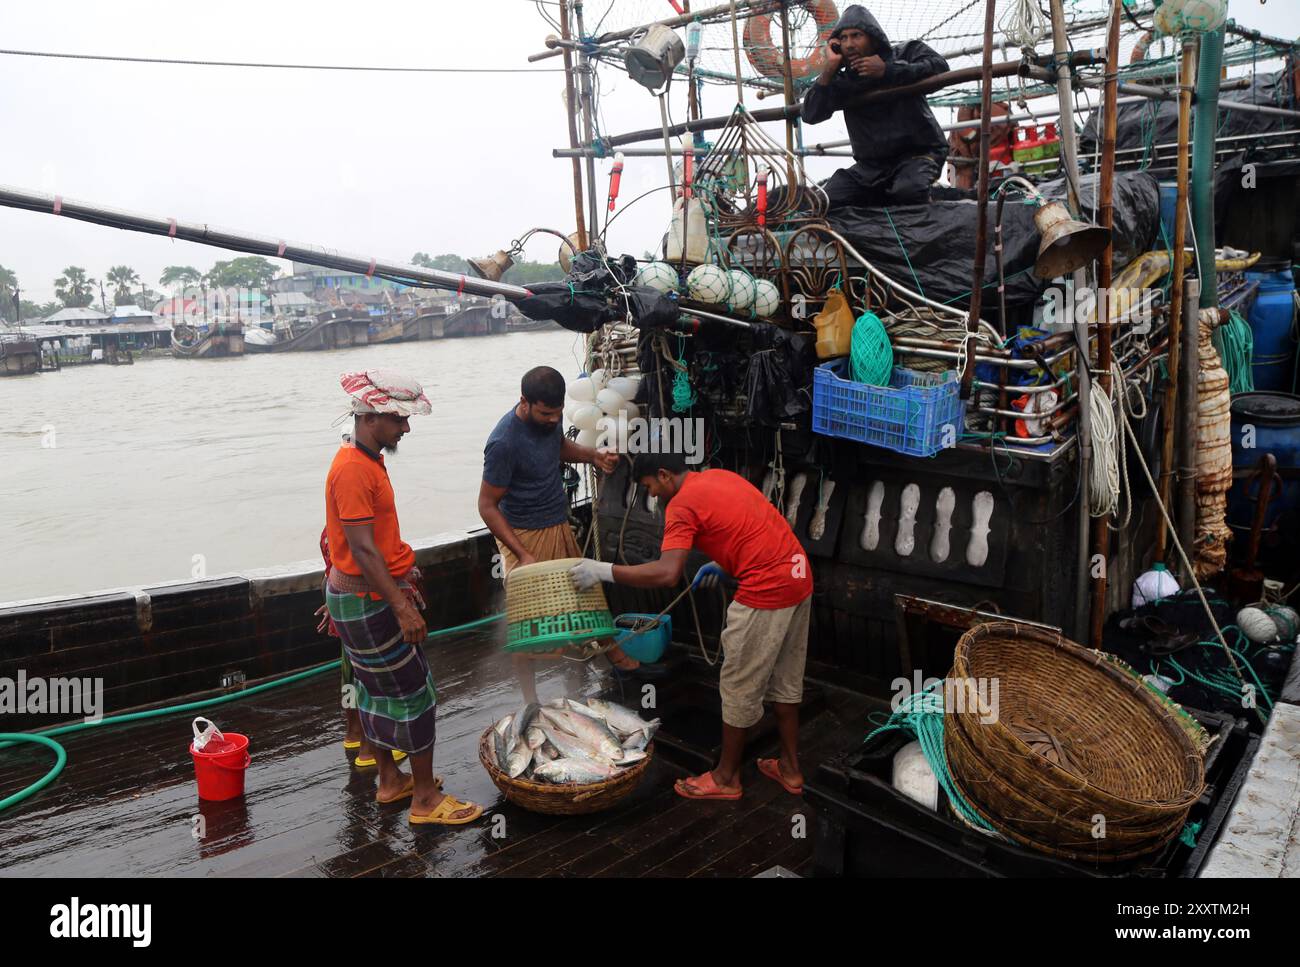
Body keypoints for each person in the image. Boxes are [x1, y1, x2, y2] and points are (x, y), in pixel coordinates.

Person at [569, 452, 814, 801]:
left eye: (650, 486)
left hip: (766, 591)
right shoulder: (718, 476)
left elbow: (667, 573)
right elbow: (752, 526)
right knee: (786, 682)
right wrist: (724, 563)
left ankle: (726, 778)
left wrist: (602, 570)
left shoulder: (680, 506)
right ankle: (791, 770)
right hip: (798, 575)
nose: (652, 495)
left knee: (738, 686)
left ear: (665, 475)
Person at [324, 369, 481, 825]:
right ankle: (425, 800)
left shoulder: (362, 457)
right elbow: (362, 549)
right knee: (415, 693)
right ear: (371, 417)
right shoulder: (354, 469)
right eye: (398, 420)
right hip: (370, 600)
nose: (405, 428)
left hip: (359, 596)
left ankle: (391, 782)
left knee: (373, 692)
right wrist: (401, 605)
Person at [478, 365, 633, 703]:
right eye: (545, 413)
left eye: (557, 413)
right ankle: (531, 700)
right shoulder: (503, 443)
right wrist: (522, 554)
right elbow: (487, 506)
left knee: (579, 599)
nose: (552, 420)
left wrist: (592, 455)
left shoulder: (551, 419)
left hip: (557, 523)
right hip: (523, 535)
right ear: (524, 402)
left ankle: (584, 678)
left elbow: (557, 446)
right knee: (528, 623)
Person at [801, 5, 949, 208]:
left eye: (856, 36)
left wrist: (887, 71)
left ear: (873, 37)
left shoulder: (907, 52)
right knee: (824, 202)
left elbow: (939, 68)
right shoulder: (842, 81)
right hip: (871, 167)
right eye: (843, 39)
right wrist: (828, 70)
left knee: (907, 192)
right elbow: (810, 114)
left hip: (919, 154)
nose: (849, 44)